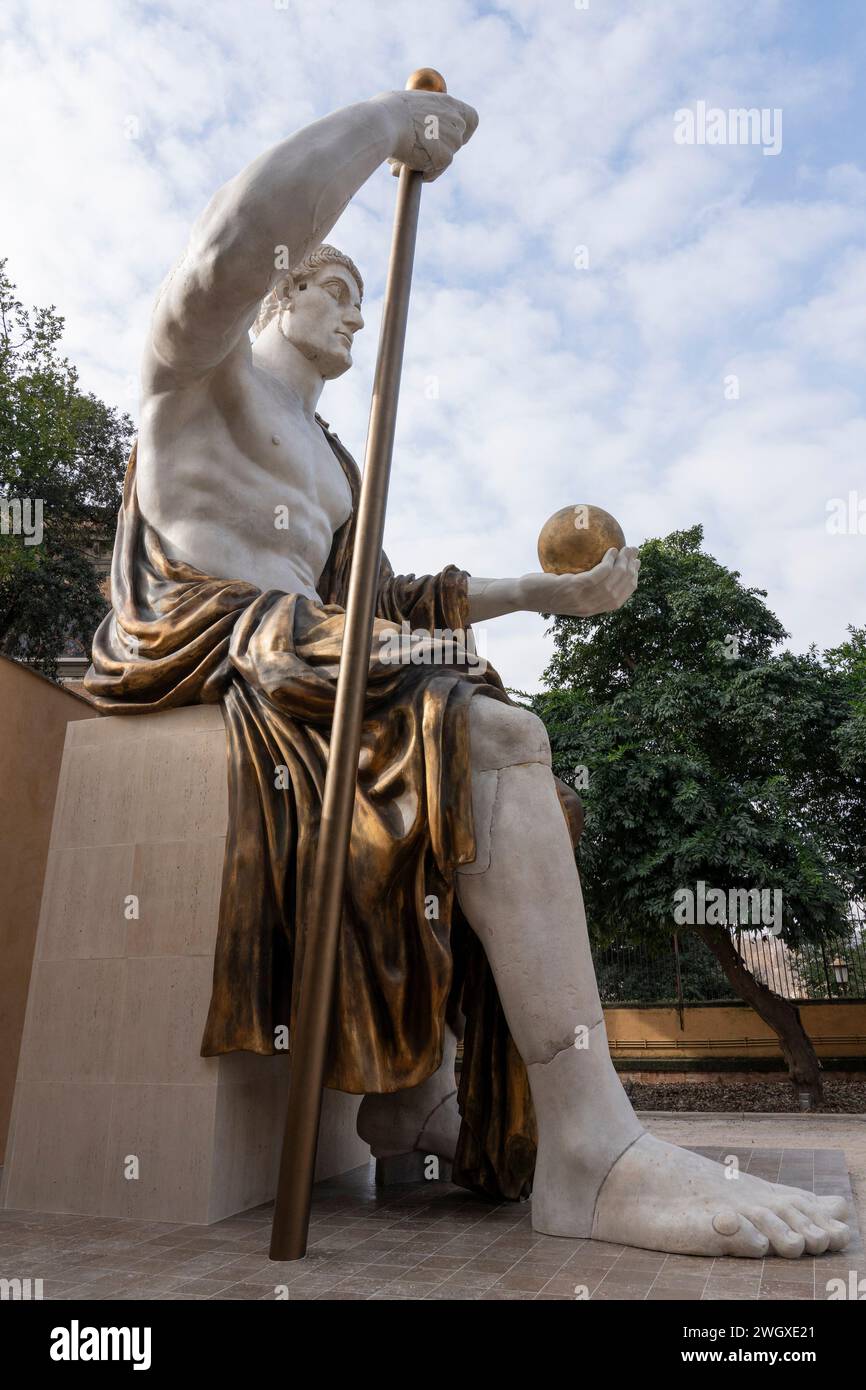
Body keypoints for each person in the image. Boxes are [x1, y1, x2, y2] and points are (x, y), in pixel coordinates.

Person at [85, 88, 849, 1259]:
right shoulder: (200, 382)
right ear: (280, 293)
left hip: (313, 650)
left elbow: (392, 608)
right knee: (486, 735)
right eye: (333, 292)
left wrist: (545, 594)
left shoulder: (336, 473)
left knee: (491, 746)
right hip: (223, 645)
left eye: (360, 299)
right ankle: (591, 1149)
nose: (352, 316)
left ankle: (419, 1095)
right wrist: (390, 123)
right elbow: (223, 250)